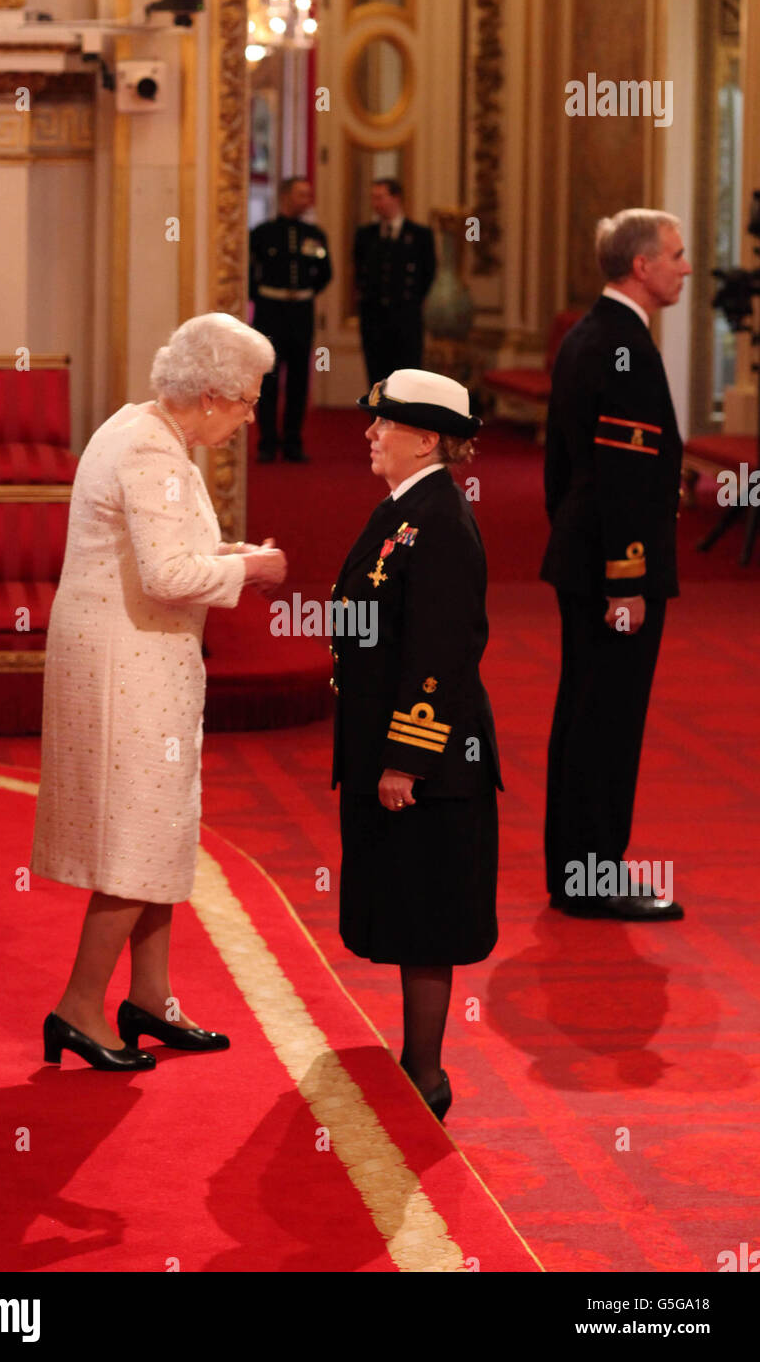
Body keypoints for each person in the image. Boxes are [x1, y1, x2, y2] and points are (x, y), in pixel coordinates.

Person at [32, 313, 287, 1070]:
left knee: (160, 826)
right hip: (129, 666)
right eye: (246, 402)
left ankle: (149, 996)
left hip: (133, 656)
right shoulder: (152, 450)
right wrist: (252, 569)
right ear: (210, 395)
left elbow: (167, 546)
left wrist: (227, 552)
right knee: (135, 834)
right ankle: (79, 1006)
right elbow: (168, 575)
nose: (249, 419)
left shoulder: (139, 426)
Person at [331, 368, 502, 1122]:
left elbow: (440, 653)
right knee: (406, 905)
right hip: (389, 744)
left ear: (426, 438)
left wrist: (407, 758)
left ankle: (426, 1075)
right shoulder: (406, 507)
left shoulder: (441, 522)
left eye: (385, 423)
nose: (371, 432)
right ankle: (416, 1069)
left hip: (432, 765)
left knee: (428, 915)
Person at [541, 209, 691, 920]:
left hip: (585, 557)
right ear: (641, 265)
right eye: (676, 254)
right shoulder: (622, 345)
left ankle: (575, 870)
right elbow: (622, 480)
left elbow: (560, 468)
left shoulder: (586, 334)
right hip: (614, 573)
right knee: (606, 723)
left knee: (583, 715)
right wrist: (624, 582)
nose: (685, 268)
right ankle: (593, 877)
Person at [249, 176, 332, 463]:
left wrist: (306, 292)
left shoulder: (314, 234)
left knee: (299, 378)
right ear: (285, 196)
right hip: (270, 311)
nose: (307, 199)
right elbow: (247, 271)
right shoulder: (262, 233)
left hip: (301, 312)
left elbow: (325, 272)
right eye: (301, 194)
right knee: (268, 378)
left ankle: (293, 441)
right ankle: (267, 441)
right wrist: (260, 295)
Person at [353, 179, 436, 388]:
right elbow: (359, 273)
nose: (375, 203)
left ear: (396, 198)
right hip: (373, 320)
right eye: (373, 198)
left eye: (380, 197)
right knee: (376, 380)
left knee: (407, 379)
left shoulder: (420, 235)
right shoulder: (365, 235)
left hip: (406, 320)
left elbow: (427, 275)